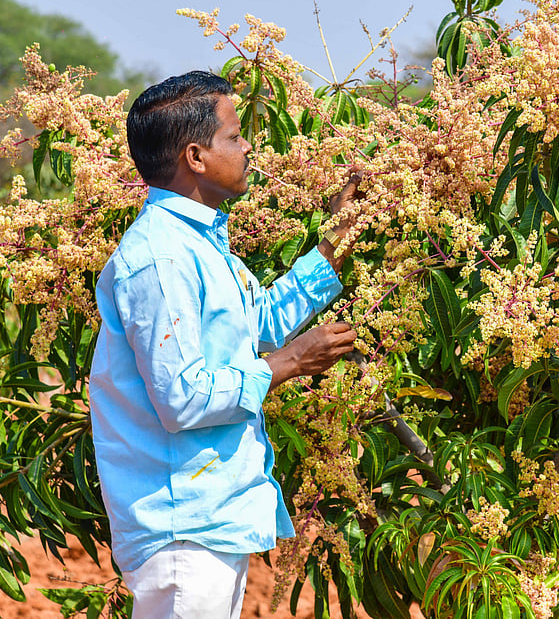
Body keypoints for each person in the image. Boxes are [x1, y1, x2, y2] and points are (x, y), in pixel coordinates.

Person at [88, 70, 360, 619]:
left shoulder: (203, 247)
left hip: (209, 519)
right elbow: (182, 399)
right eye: (234, 137)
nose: (248, 148)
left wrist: (336, 238)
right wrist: (290, 362)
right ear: (196, 156)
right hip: (183, 528)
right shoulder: (161, 260)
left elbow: (256, 322)